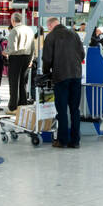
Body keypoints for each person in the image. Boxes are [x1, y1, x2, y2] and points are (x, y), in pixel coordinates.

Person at [41, 16, 85, 148]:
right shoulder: (74, 33)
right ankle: (75, 141)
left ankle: (62, 140)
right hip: (76, 76)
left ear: (50, 26)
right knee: (74, 110)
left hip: (61, 77)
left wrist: (46, 72)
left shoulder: (51, 36)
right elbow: (82, 54)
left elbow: (47, 59)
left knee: (62, 110)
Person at [6, 12, 36, 112]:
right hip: (27, 58)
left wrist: (3, 52)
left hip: (16, 58)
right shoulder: (29, 30)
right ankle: (23, 103)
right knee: (23, 82)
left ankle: (13, 106)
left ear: (13, 21)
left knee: (14, 82)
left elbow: (12, 48)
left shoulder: (14, 31)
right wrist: (31, 59)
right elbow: (33, 47)